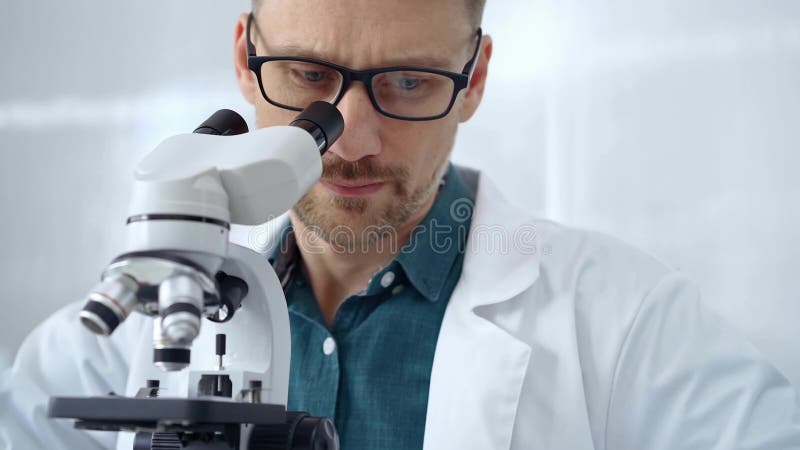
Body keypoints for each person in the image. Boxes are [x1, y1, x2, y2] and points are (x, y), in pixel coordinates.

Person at [2, 1, 800, 449]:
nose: (351, 139)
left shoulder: (628, 324)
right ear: (246, 61)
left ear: (474, 79)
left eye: (410, 83)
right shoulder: (125, 329)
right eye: (310, 77)